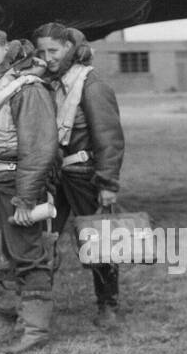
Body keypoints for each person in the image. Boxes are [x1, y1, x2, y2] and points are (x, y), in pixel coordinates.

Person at [0, 30, 59, 354]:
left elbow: (38, 148)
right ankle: (26, 319)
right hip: (3, 183)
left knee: (29, 255)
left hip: (17, 185)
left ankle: (35, 332)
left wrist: (25, 199)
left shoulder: (28, 88)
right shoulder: (1, 86)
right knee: (17, 253)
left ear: (7, 51)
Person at [31, 23, 126, 329]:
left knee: (99, 241)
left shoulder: (92, 84)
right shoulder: (46, 82)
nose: (47, 57)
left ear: (72, 49)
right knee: (40, 241)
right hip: (54, 176)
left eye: (54, 51)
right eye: (42, 51)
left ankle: (108, 304)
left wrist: (108, 184)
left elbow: (109, 138)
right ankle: (33, 308)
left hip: (86, 175)